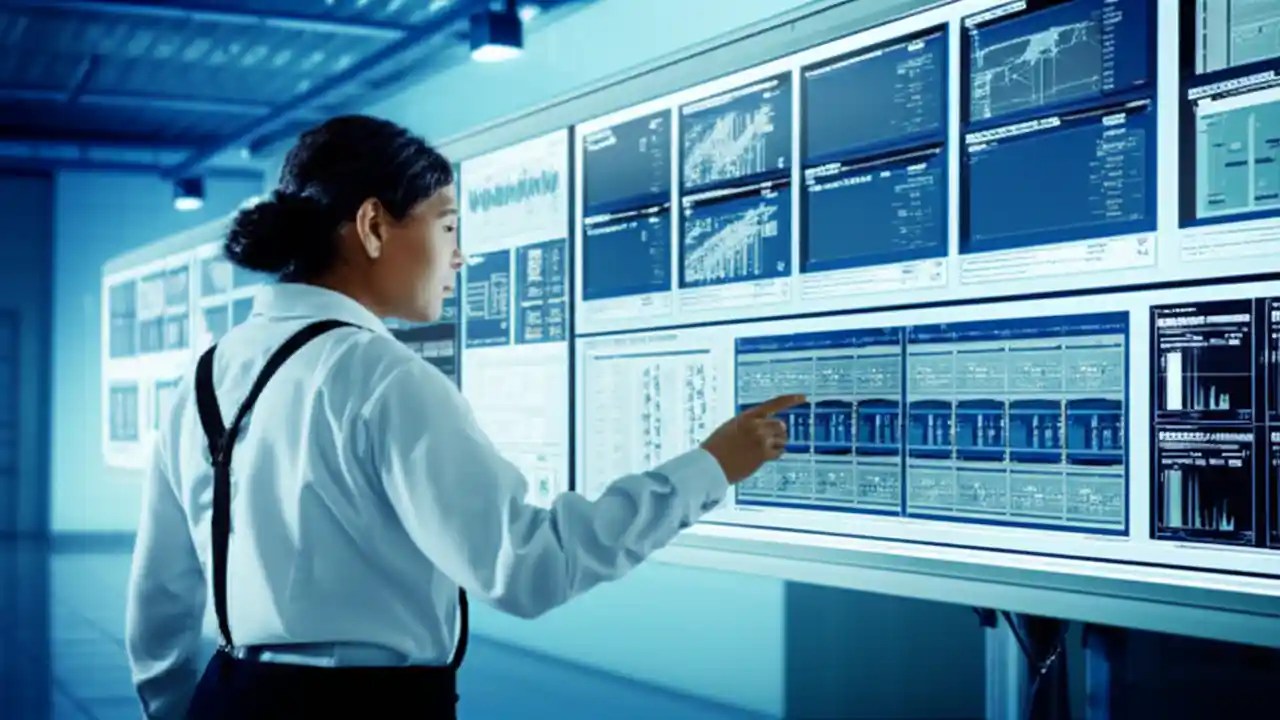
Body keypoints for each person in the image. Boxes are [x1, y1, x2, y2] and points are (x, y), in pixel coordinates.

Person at [124, 114, 804, 719]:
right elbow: (527, 567)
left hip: (229, 698)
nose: (460, 254)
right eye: (447, 223)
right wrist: (711, 466)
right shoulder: (384, 378)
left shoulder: (205, 376)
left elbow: (160, 603)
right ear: (372, 225)